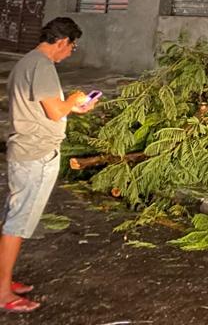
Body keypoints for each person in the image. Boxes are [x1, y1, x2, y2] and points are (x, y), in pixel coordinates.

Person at [0, 17, 97, 313]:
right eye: (72, 48)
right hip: (36, 154)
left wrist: (73, 108)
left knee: (12, 217)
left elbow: (43, 109)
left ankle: (3, 278)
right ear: (63, 42)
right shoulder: (42, 65)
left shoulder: (26, 62)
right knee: (17, 222)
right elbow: (55, 112)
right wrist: (73, 99)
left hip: (24, 150)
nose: (70, 53)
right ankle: (3, 293)